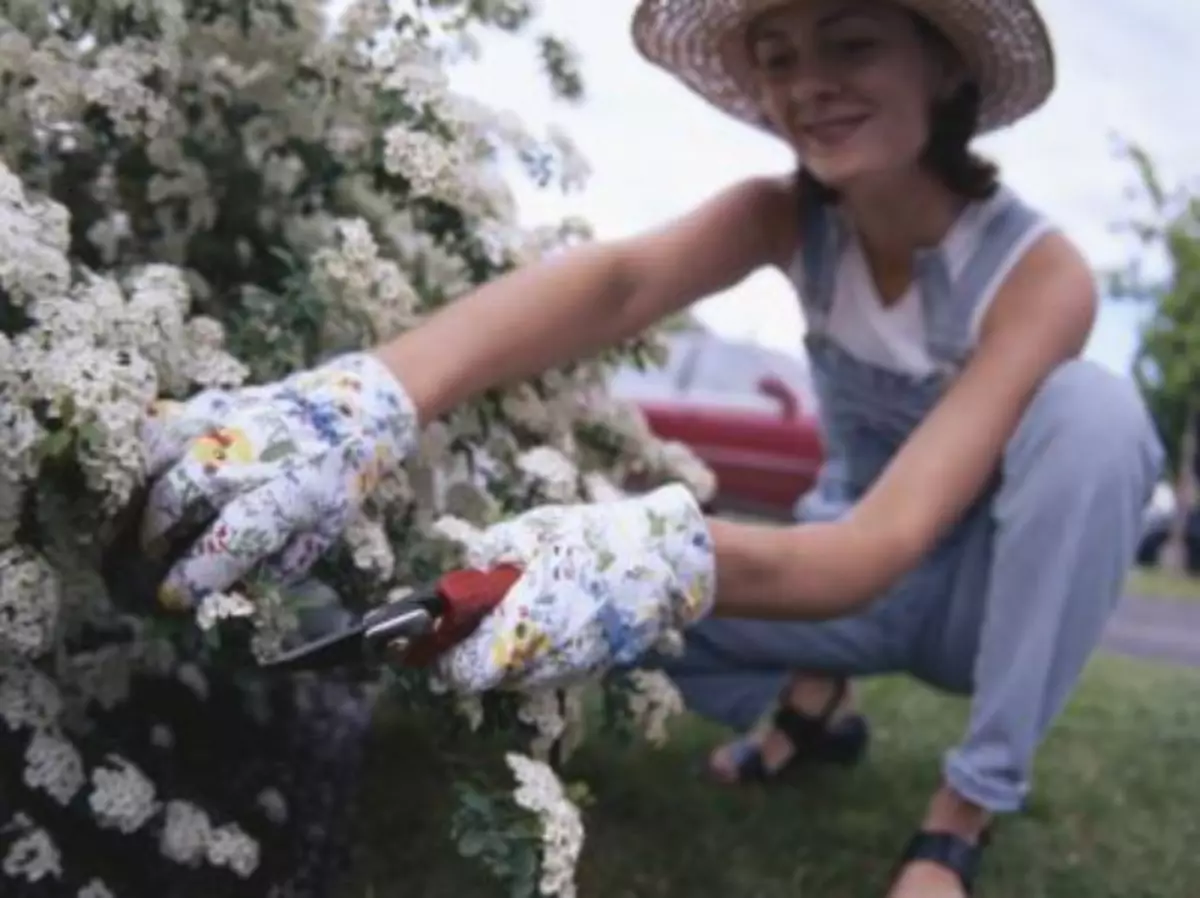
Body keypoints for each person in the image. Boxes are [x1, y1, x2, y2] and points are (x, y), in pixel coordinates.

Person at [137, 0, 1165, 894]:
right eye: (778, 55)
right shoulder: (785, 219)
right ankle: (811, 706)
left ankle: (961, 814)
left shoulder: (1038, 271)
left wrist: (663, 557)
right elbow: (619, 283)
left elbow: (885, 541)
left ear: (945, 63)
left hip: (973, 601)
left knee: (1097, 417)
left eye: (850, 44)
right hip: (841, 584)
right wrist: (365, 396)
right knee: (594, 625)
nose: (808, 84)